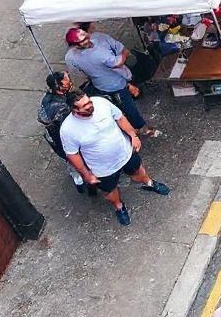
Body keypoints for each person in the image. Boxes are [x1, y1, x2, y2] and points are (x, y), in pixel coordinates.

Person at [61, 91, 169, 226]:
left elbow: (119, 117)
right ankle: (119, 207)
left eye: (89, 102)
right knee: (110, 190)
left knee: (138, 171)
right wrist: (86, 174)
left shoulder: (100, 103)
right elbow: (72, 154)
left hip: (125, 152)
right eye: (84, 106)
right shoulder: (68, 129)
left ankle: (149, 183)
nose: (90, 106)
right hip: (102, 168)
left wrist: (133, 136)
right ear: (74, 109)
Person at [63, 27, 154, 134]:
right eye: (81, 41)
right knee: (129, 105)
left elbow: (78, 73)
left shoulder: (70, 57)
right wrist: (124, 53)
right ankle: (141, 127)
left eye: (85, 37)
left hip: (99, 84)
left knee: (111, 102)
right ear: (75, 44)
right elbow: (117, 62)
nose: (86, 41)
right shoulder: (99, 53)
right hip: (116, 83)